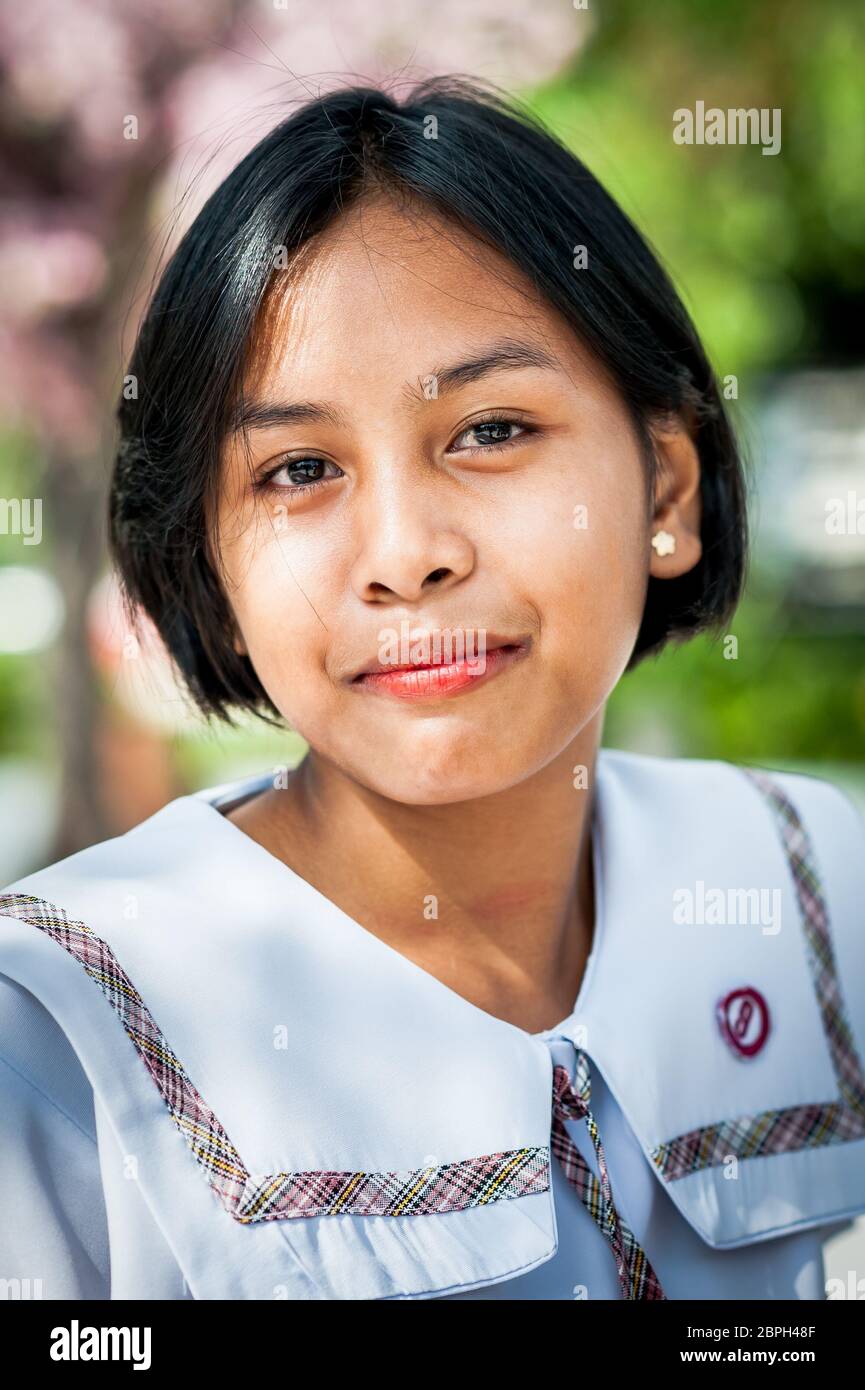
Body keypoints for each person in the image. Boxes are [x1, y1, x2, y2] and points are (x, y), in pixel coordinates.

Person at [1, 76, 863, 1302]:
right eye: (299, 468)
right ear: (211, 568)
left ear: (665, 490)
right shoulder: (57, 1033)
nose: (407, 553)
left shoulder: (808, 887)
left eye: (491, 430)